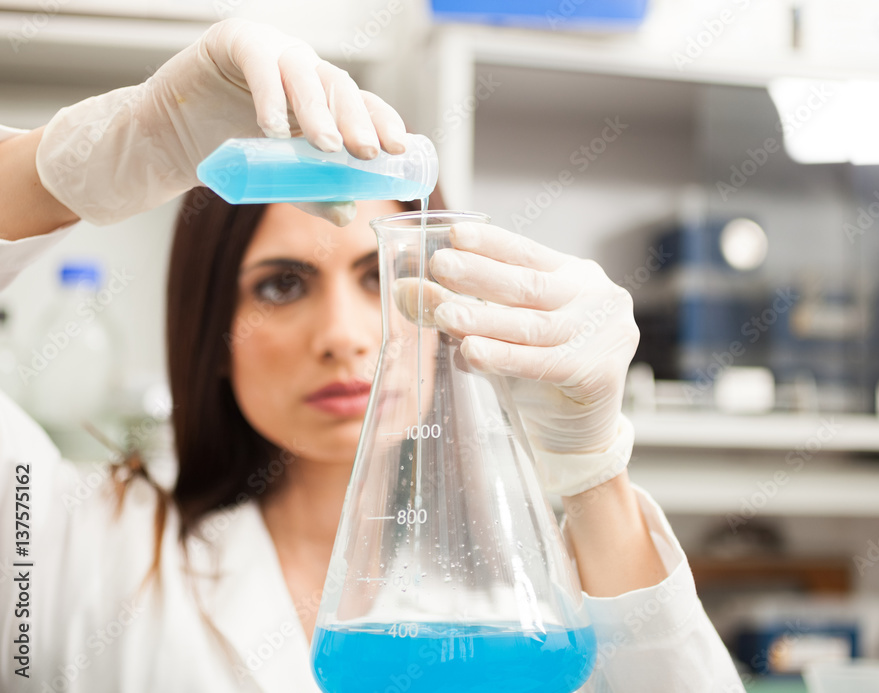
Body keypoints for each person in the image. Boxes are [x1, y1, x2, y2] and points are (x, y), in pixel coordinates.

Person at [0, 18, 744, 693]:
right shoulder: (75, 547)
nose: (345, 335)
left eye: (379, 275)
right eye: (283, 284)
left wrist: (592, 475)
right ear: (214, 333)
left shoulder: (525, 606)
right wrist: (69, 164)